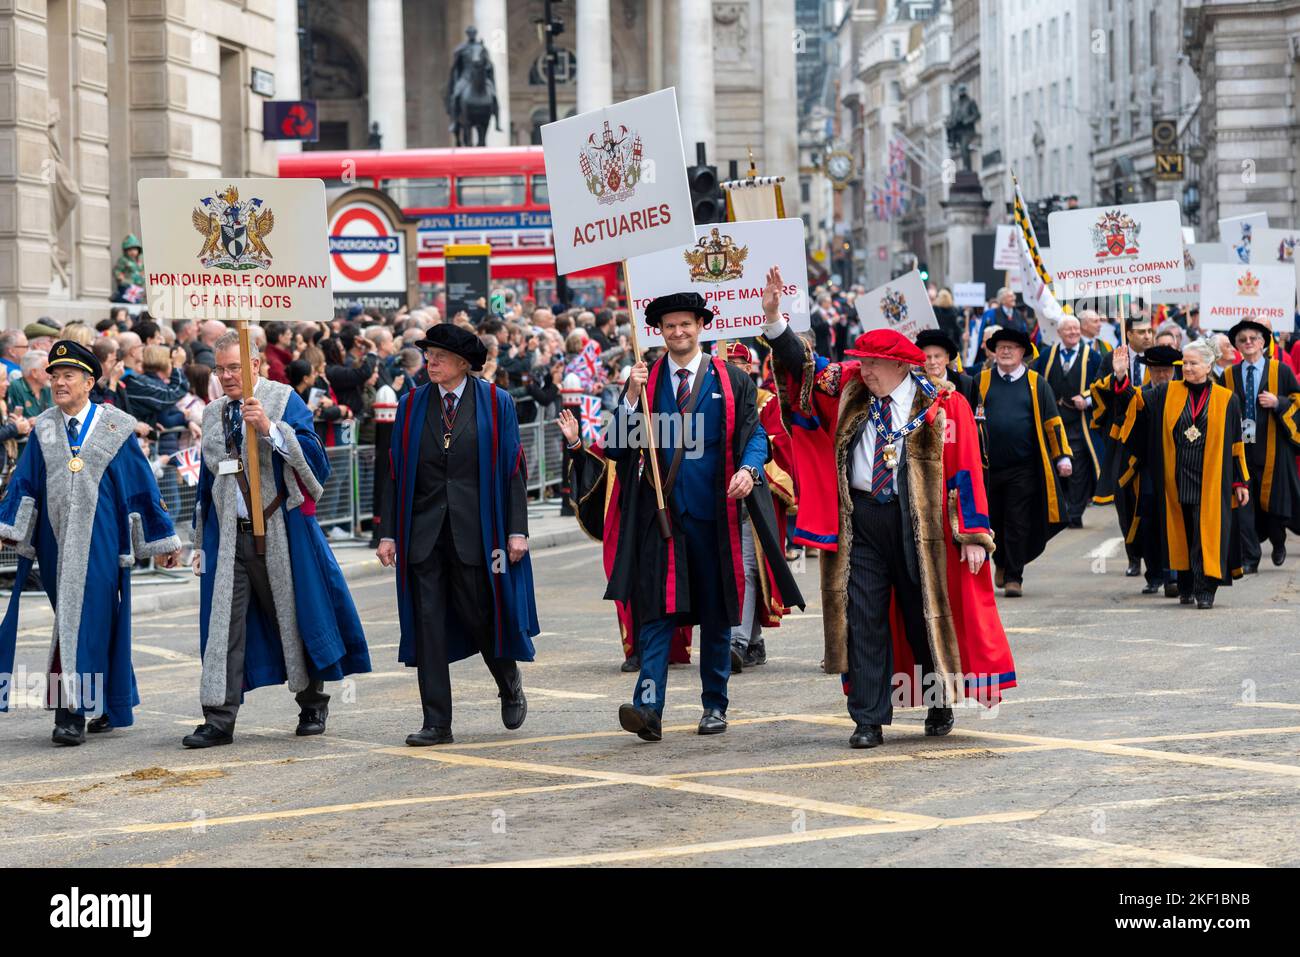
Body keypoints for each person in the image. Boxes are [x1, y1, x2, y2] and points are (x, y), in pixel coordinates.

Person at [762, 268, 1013, 748]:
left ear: (900, 366)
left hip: (921, 526)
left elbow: (965, 473)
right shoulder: (851, 387)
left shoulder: (942, 404)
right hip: (862, 520)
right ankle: (868, 718)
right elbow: (803, 366)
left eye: (873, 363)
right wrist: (776, 321)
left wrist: (974, 534)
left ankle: (937, 702)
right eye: (862, 361)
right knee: (864, 616)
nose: (864, 369)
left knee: (924, 616)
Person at [604, 292, 801, 742]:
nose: (678, 333)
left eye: (685, 325)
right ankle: (647, 707)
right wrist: (631, 399)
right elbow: (618, 447)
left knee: (716, 617)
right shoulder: (645, 380)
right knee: (654, 616)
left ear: (700, 327)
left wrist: (750, 472)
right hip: (662, 520)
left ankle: (715, 705)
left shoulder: (732, 380)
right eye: (670, 326)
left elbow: (755, 438)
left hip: (716, 517)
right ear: (659, 331)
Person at [185, 333, 371, 748]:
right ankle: (219, 718)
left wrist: (270, 429)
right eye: (221, 369)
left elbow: (314, 458)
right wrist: (199, 542)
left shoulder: (284, 399)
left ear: (256, 364)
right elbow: (206, 480)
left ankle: (312, 702)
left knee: (294, 616)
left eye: (235, 367)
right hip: (229, 536)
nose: (227, 376)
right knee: (223, 629)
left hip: (280, 533)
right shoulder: (213, 412)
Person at [0, 340, 182, 745]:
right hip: (54, 545)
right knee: (92, 621)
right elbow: (24, 484)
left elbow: (140, 487)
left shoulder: (116, 426)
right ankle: (112, 700)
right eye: (54, 376)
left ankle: (69, 713)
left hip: (101, 544)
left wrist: (162, 536)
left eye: (68, 376)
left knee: (82, 619)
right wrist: (7, 527)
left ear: (88, 382)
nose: (59, 383)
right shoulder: (44, 426)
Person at [377, 324, 538, 747]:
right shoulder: (410, 405)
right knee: (427, 623)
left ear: (463, 364)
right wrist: (388, 533)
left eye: (439, 357)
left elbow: (512, 469)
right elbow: (393, 474)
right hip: (423, 534)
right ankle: (437, 722)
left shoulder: (495, 401)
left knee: (482, 617)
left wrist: (516, 530)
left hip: (479, 533)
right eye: (427, 355)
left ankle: (509, 682)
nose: (430, 362)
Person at [1118, 338, 1249, 609]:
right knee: (1184, 532)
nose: (1187, 368)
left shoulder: (1227, 399)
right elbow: (1137, 404)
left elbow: (1236, 445)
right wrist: (1121, 377)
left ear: (1209, 364)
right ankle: (1186, 585)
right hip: (1177, 477)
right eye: (1185, 363)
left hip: (1211, 478)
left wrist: (1240, 481)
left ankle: (1206, 589)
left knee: (1205, 534)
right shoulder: (1168, 392)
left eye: (1193, 363)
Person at [972, 327, 1072, 596]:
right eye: (1001, 347)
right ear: (993, 351)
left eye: (1012, 348)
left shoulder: (1037, 383)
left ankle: (1015, 576)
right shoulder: (979, 382)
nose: (1005, 351)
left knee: (1017, 521)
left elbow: (1053, 421)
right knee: (994, 521)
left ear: (1022, 353)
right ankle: (1001, 562)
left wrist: (1061, 455)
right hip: (987, 469)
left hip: (1024, 468)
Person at [723, 341, 798, 672]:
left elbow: (780, 444)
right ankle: (753, 641)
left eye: (741, 362)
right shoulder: (713, 398)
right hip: (722, 495)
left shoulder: (766, 402)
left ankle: (737, 640)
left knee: (750, 567)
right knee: (736, 567)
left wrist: (752, 467)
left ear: (750, 367)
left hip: (757, 492)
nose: (736, 366)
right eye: (729, 361)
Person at [1219, 318, 1300, 572]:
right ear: (1237, 347)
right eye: (1242, 340)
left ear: (1263, 342)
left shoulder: (1281, 371)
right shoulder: (1228, 375)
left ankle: (1278, 541)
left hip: (1274, 449)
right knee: (1243, 503)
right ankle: (1250, 558)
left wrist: (1279, 403)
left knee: (1276, 506)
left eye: (1253, 338)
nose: (1248, 343)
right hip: (1242, 448)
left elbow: (1297, 401)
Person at [1108, 345, 1182, 596]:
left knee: (1176, 519)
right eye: (1157, 370)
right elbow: (1125, 403)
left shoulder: (1183, 394)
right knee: (1149, 520)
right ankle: (1154, 576)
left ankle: (1174, 575)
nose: (1162, 376)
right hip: (1148, 468)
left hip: (1179, 468)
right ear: (1149, 370)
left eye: (1167, 371)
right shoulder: (1141, 395)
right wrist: (1120, 376)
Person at [1091, 315, 1156, 577]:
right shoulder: (1111, 358)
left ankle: (1154, 558)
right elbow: (1096, 390)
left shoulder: (1158, 358)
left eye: (1150, 331)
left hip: (1151, 438)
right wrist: (1117, 377)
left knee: (1150, 498)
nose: (1147, 336)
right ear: (1128, 334)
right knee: (1125, 500)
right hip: (1122, 440)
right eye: (1141, 332)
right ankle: (1133, 556)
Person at [1033, 316, 1104, 527]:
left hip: (1079, 423)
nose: (1073, 332)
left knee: (1078, 469)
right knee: (1056, 467)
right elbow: (1035, 382)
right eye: (1068, 329)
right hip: (1053, 423)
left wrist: (1087, 398)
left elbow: (1101, 384)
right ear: (1060, 333)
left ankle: (1075, 514)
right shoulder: (1047, 355)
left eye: (1076, 328)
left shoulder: (1093, 357)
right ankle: (1059, 511)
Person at [9, 350, 53, 419]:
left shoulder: (47, 387)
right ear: (34, 372)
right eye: (47, 369)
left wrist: (38, 420)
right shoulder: (16, 387)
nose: (51, 373)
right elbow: (15, 419)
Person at [111, 234, 144, 302]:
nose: (132, 252)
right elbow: (117, 270)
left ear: (138, 250)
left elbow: (142, 271)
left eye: (134, 249)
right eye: (130, 250)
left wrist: (142, 276)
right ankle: (117, 298)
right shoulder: (123, 260)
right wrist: (119, 276)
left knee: (137, 301)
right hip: (127, 284)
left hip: (137, 286)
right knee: (125, 299)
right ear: (126, 251)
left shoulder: (139, 263)